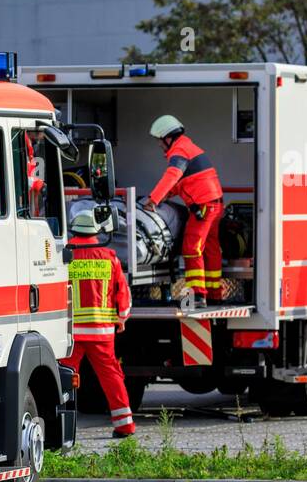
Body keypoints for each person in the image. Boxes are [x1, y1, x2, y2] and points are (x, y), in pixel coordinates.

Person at [64, 210, 135, 437]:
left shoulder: (64, 255)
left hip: (70, 333)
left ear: (74, 230)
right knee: (111, 376)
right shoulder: (109, 257)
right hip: (102, 332)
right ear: (96, 231)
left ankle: (57, 427)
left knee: (63, 377)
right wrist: (121, 319)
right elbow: (122, 294)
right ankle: (124, 425)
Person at [144, 116, 225, 307]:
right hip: (214, 204)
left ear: (168, 137)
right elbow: (182, 183)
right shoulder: (188, 147)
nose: (159, 144)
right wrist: (165, 196)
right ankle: (214, 293)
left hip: (203, 207)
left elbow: (172, 176)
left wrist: (153, 199)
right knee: (211, 249)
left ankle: (197, 295)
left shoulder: (180, 151)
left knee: (191, 249)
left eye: (159, 140)